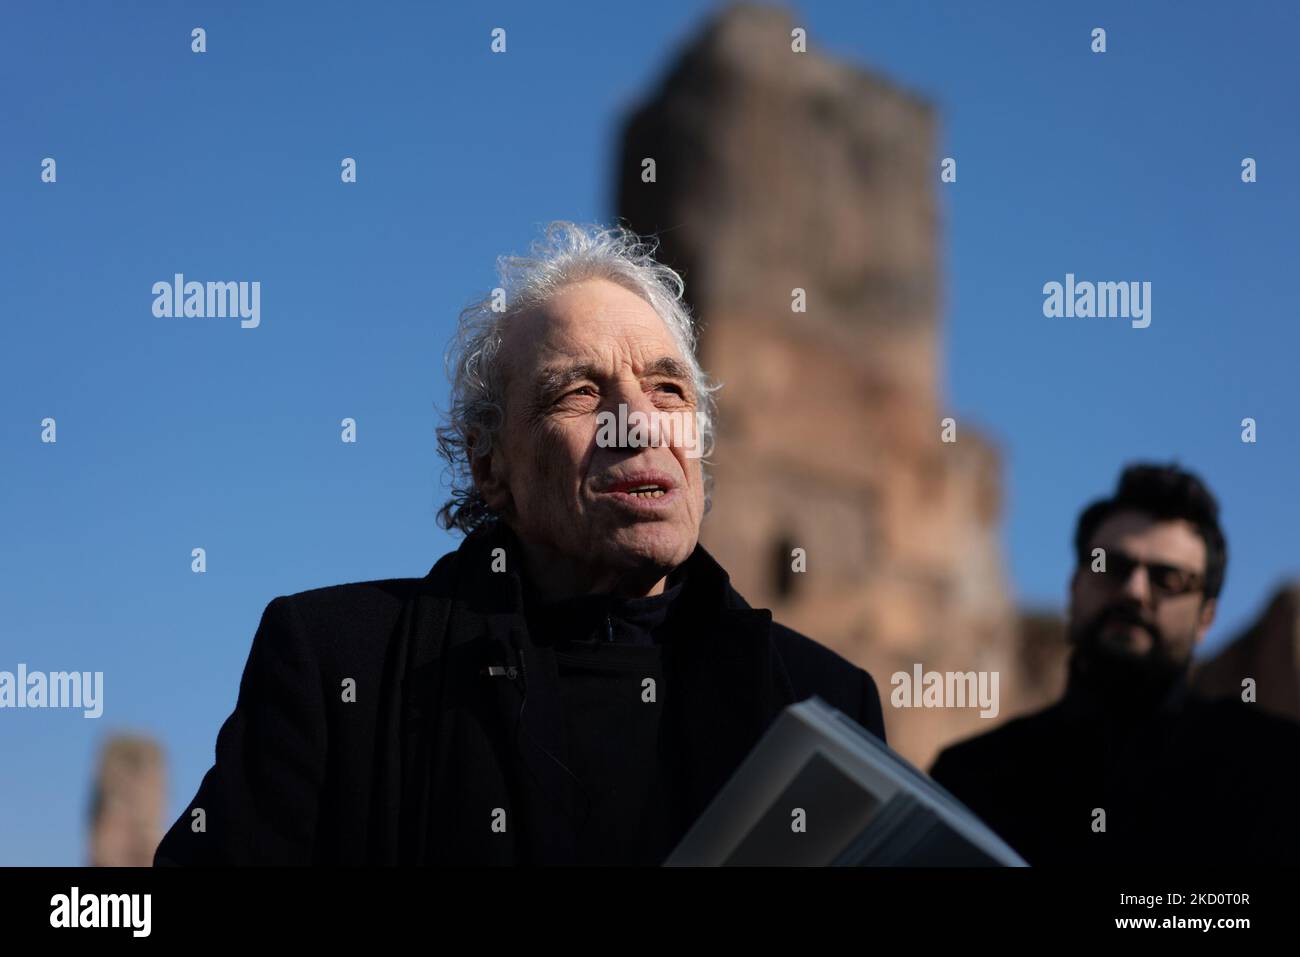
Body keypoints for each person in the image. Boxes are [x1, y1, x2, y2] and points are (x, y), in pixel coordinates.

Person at [154, 221, 886, 866]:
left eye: (669, 390)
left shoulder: (825, 701)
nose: (637, 422)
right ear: (490, 464)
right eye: (580, 393)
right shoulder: (335, 663)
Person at [930, 463, 1300, 866]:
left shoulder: (1276, 770)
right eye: (1112, 567)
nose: (1134, 591)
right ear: (1074, 588)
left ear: (1206, 617)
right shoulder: (969, 778)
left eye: (1169, 579)